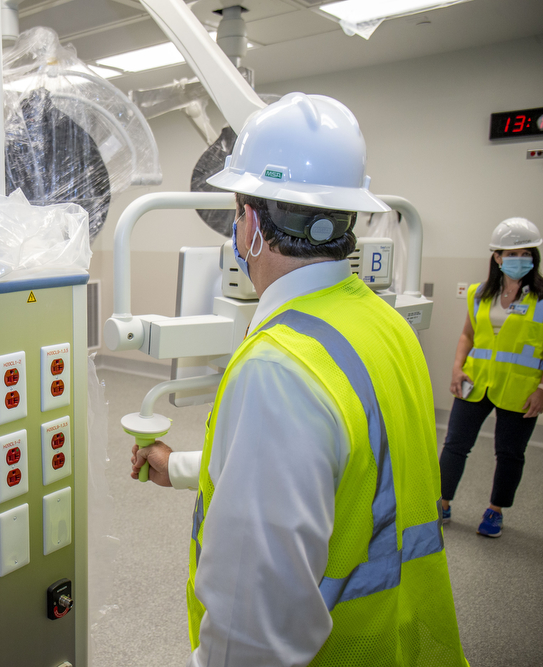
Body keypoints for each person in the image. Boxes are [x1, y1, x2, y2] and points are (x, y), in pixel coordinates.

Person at [132, 92, 467, 666]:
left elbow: (255, 631)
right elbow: (344, 468)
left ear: (251, 221)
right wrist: (182, 467)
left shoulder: (279, 367)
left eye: (236, 212)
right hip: (403, 640)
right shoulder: (385, 323)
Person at [439, 217, 543, 538]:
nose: (518, 260)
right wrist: (457, 368)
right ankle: (441, 502)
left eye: (526, 254)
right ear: (497, 257)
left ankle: (495, 511)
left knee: (509, 453)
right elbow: (467, 336)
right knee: (455, 445)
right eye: (511, 254)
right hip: (475, 381)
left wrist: (542, 388)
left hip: (519, 387)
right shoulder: (478, 293)